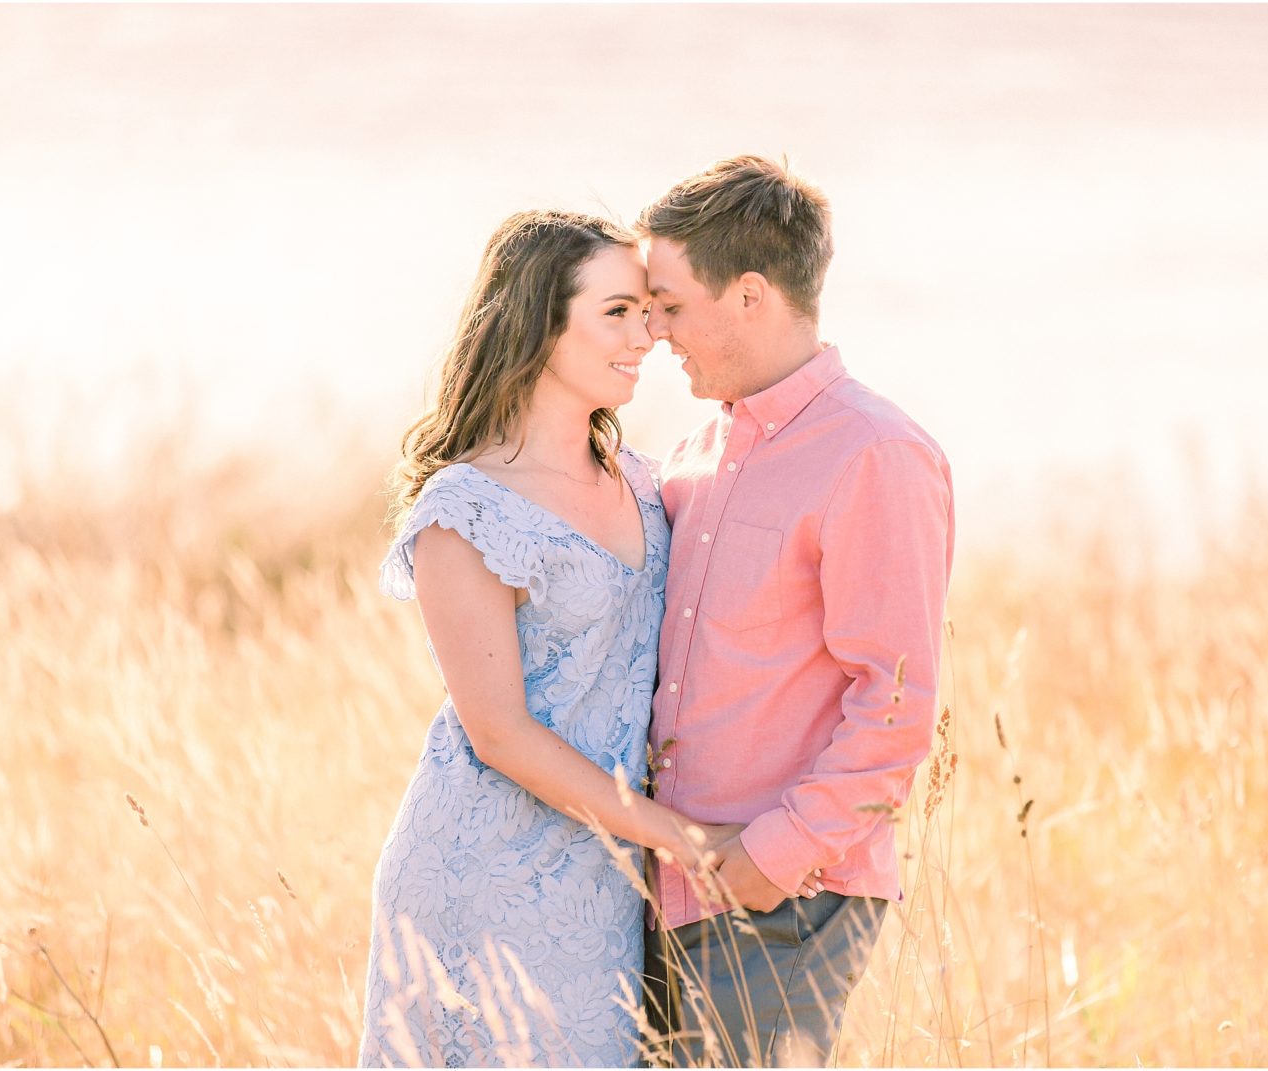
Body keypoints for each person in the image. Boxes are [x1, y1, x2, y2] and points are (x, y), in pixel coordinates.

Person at [357, 208, 823, 1069]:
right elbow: (498, 735)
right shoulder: (463, 510)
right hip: (483, 871)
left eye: (648, 309)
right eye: (618, 311)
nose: (647, 333)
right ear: (538, 322)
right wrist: (679, 836)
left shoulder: (644, 480)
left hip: (607, 877)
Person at [636, 156, 956, 1067]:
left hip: (788, 900)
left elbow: (895, 705)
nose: (656, 331)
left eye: (670, 303)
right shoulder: (695, 451)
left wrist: (771, 858)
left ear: (748, 296)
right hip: (666, 890)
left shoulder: (876, 454)